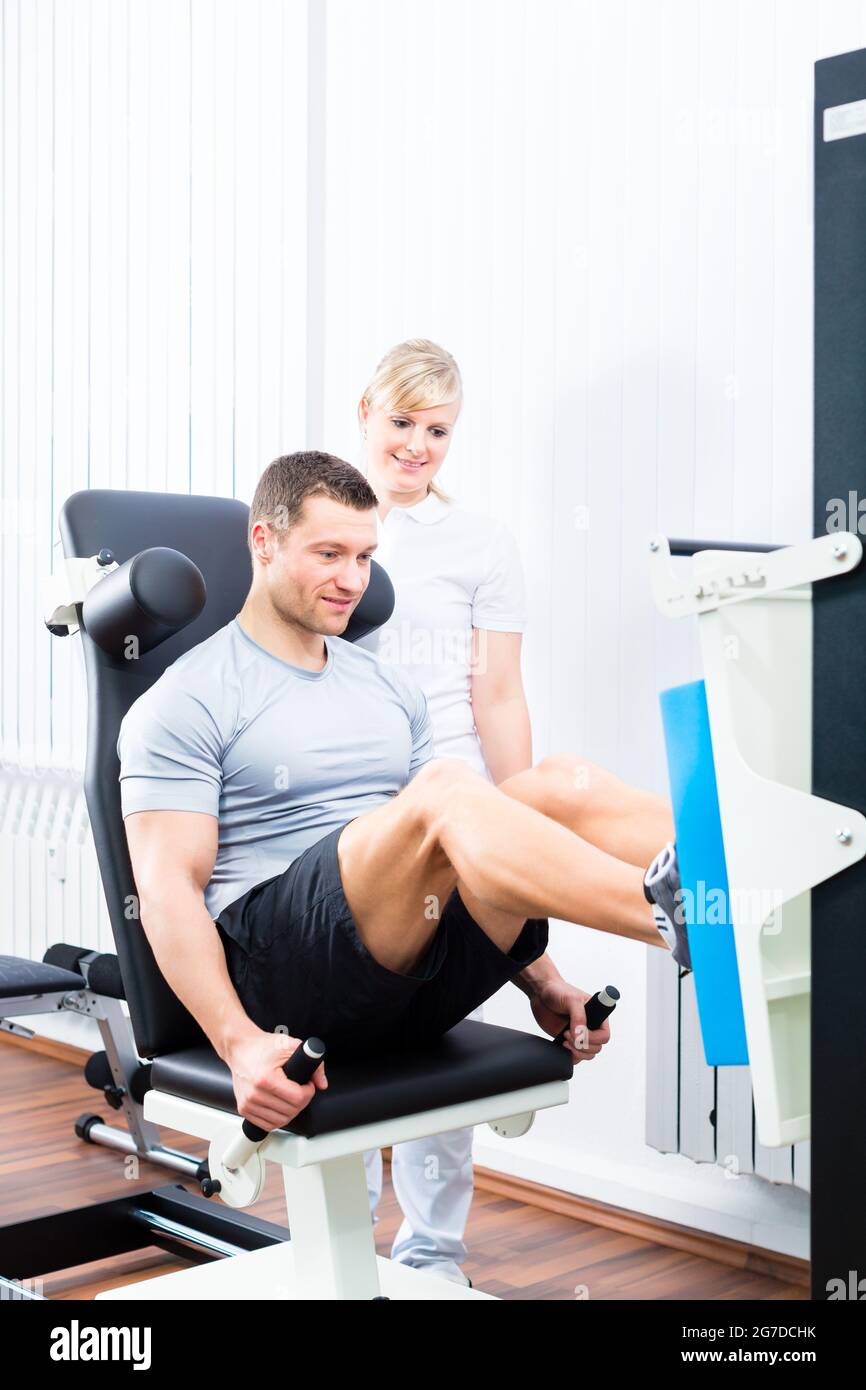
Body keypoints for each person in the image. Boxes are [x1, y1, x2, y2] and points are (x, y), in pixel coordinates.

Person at [117, 451, 689, 1253]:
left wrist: (543, 980)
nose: (353, 579)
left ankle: (750, 879)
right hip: (284, 975)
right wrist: (239, 1043)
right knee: (453, 787)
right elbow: (168, 888)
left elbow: (459, 847)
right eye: (329, 554)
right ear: (264, 543)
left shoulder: (385, 687)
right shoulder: (186, 696)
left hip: (402, 974)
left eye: (364, 557)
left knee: (557, 781)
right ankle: (685, 917)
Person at [351, 338, 535, 1285]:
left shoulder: (481, 543)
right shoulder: (328, 527)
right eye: (403, 423)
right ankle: (342, 1243)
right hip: (352, 800)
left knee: (439, 1025)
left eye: (439, 430)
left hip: (454, 793)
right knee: (343, 1023)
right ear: (365, 414)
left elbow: (497, 692)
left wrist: (520, 820)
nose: (419, 446)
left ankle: (431, 1257)